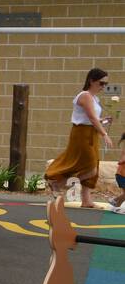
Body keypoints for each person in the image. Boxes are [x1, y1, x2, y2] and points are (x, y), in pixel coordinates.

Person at [45, 67, 111, 209]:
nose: (103, 87)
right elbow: (92, 119)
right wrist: (104, 134)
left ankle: (86, 200)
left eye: (106, 84)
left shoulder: (95, 98)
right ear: (91, 81)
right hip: (82, 134)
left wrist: (104, 120)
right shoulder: (85, 95)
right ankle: (58, 184)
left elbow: (94, 119)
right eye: (101, 83)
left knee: (93, 167)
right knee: (88, 166)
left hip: (91, 133)